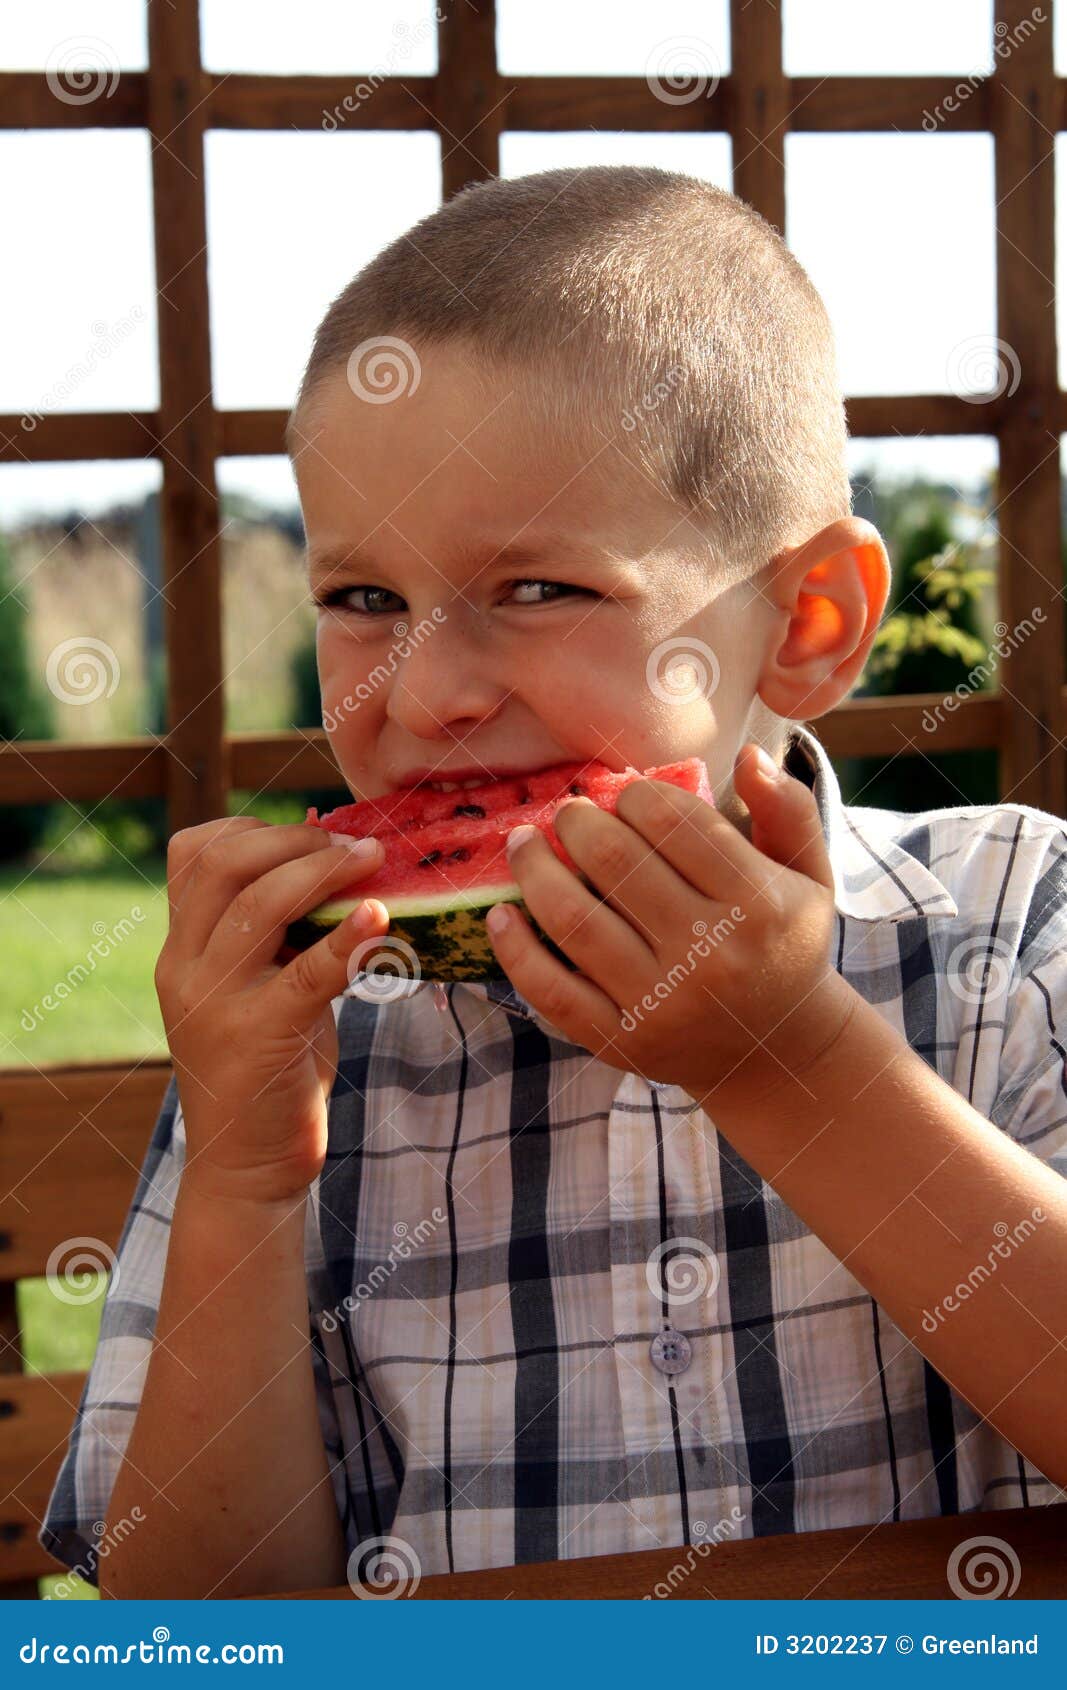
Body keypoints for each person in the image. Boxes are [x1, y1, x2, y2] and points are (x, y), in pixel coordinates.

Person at [39, 166, 1067, 1600]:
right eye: (364, 600)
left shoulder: (1013, 920)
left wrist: (789, 1063)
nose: (429, 692)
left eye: (538, 590)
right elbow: (204, 1633)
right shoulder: (306, 1035)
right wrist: (247, 1180)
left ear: (810, 623)